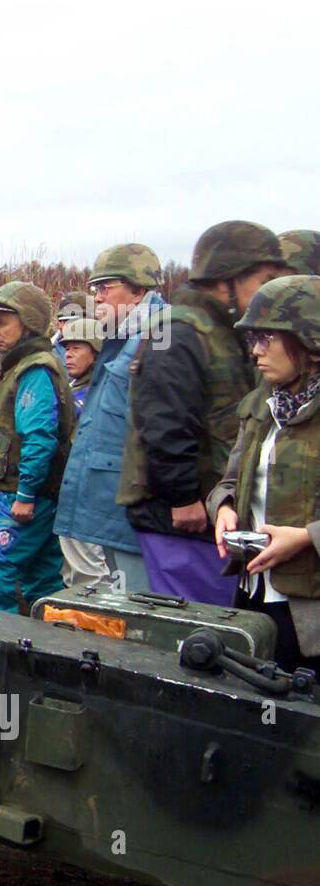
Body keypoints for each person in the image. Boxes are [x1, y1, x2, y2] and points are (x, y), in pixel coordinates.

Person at [118, 222, 289, 604]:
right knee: (199, 630)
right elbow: (163, 423)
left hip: (211, 511)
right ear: (227, 279)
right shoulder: (178, 330)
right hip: (180, 517)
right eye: (265, 279)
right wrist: (182, 499)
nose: (270, 290)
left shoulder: (223, 328)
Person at [210, 275, 320, 671]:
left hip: (308, 615)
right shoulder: (262, 406)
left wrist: (306, 538)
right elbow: (229, 482)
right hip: (253, 595)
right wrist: (223, 509)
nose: (256, 352)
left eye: (268, 339)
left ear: (310, 342)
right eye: (252, 338)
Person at [54, 244, 166, 593]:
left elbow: (165, 429)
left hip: (124, 507)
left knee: (122, 606)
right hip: (103, 503)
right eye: (95, 289)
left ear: (138, 289)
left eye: (106, 287)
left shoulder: (160, 339)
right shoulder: (121, 339)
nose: (97, 297)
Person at [0, 281, 76, 612]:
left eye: (2, 323)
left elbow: (39, 437)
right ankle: (56, 645)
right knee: (43, 579)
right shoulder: (31, 364)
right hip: (44, 495)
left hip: (25, 495)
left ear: (27, 323)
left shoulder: (34, 370)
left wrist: (25, 495)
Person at [57, 315, 109, 584]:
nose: (69, 355)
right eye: (66, 348)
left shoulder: (104, 391)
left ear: (96, 350)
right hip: (71, 488)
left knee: (89, 570)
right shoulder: (71, 387)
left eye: (77, 348)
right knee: (72, 569)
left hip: (90, 491)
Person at [51, 292, 88, 365]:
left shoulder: (106, 350)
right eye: (61, 320)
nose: (61, 326)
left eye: (69, 321)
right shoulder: (49, 350)